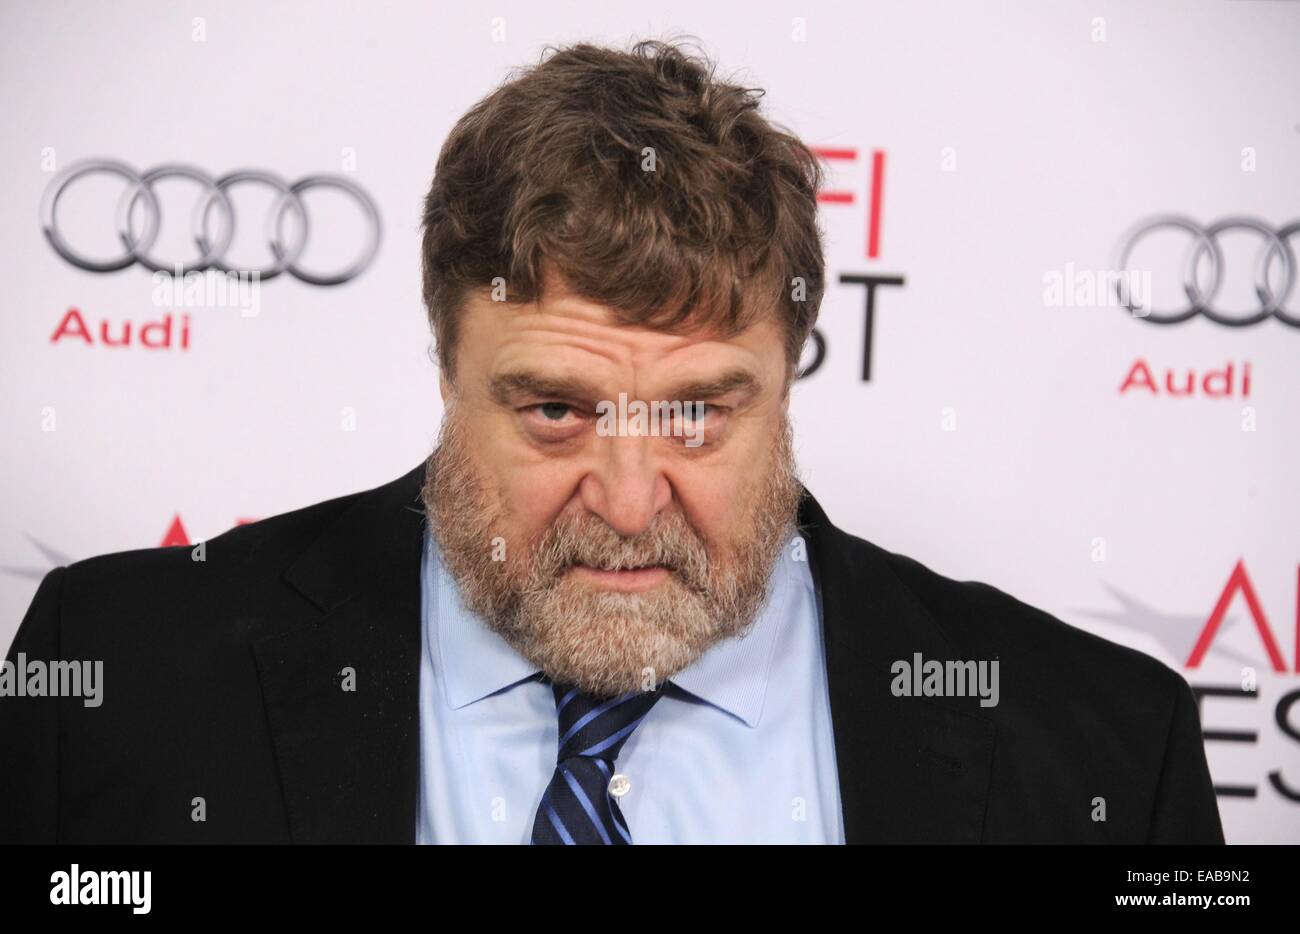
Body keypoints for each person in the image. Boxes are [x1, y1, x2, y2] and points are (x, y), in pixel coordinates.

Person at [0, 39, 1223, 844]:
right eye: (555, 411)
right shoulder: (110, 684)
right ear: (443, 367)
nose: (632, 503)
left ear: (791, 375)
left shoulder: (1105, 751)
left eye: (697, 411)